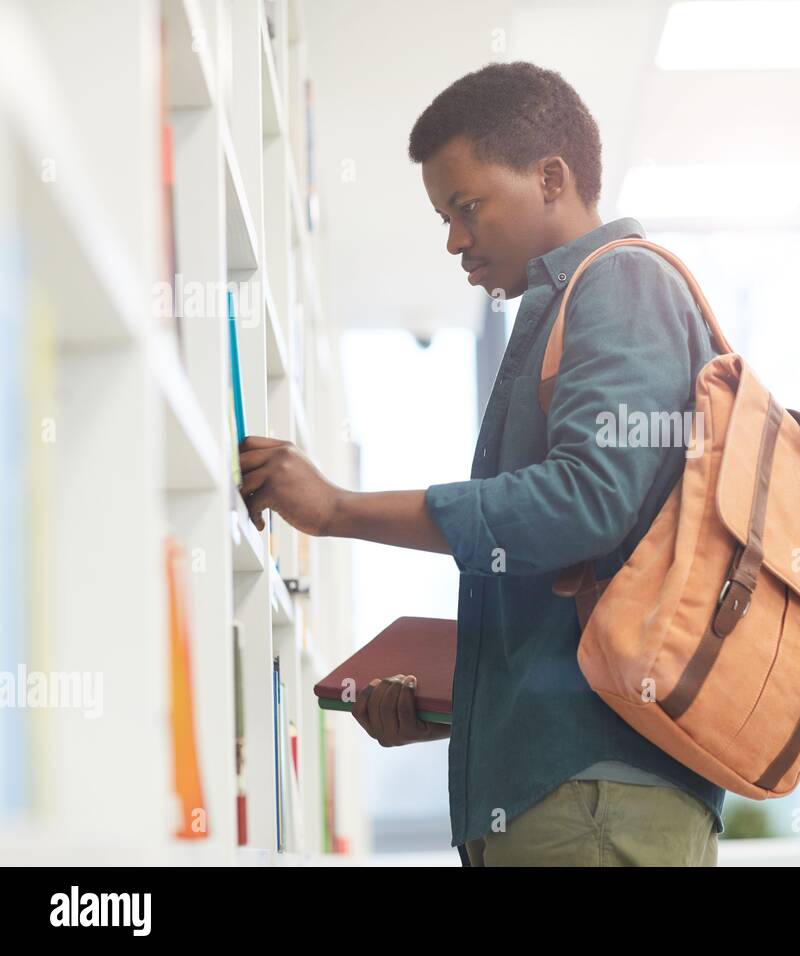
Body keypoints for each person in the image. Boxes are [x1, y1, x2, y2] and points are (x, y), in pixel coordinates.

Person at [238, 62, 725, 866]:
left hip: (599, 803)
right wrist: (457, 707)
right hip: (579, 798)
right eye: (443, 215)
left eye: (467, 208)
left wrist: (338, 511)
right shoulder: (570, 306)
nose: (455, 240)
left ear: (551, 177)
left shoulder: (622, 283)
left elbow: (582, 505)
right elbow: (586, 584)